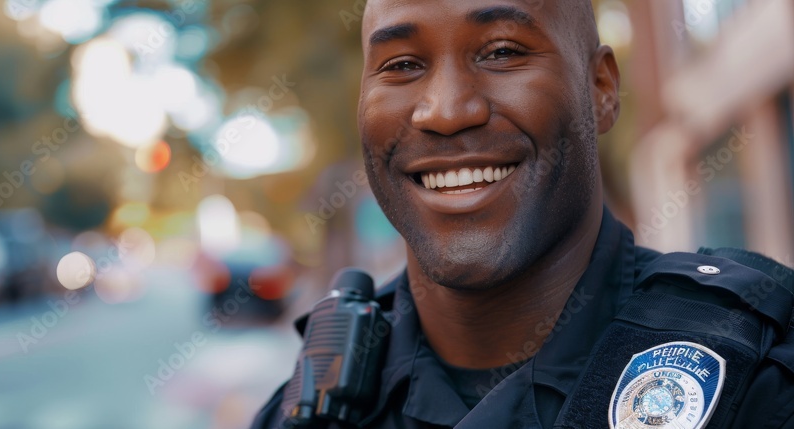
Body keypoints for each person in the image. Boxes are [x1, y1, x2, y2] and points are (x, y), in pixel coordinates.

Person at [251, 0, 794, 428]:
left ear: (601, 88)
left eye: (503, 51)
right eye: (402, 65)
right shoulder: (307, 411)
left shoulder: (759, 381)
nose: (445, 111)